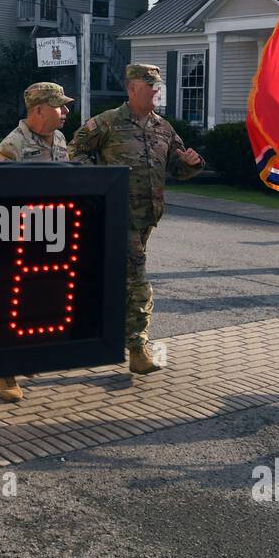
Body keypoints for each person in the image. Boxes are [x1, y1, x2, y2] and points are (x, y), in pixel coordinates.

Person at [69, 63, 204, 374]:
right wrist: (99, 183)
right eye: (149, 85)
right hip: (118, 217)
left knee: (113, 279)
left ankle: (91, 335)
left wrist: (192, 163)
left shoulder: (163, 127)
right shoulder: (107, 122)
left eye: (157, 85)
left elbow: (178, 166)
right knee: (138, 282)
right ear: (132, 88)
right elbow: (75, 151)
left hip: (147, 220)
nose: (156, 91)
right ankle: (137, 349)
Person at [0, 81, 72, 403]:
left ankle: (26, 356)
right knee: (7, 304)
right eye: (59, 106)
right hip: (16, 238)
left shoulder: (60, 139)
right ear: (38, 110)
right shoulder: (13, 145)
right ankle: (2, 369)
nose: (65, 112)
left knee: (41, 300)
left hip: (50, 236)